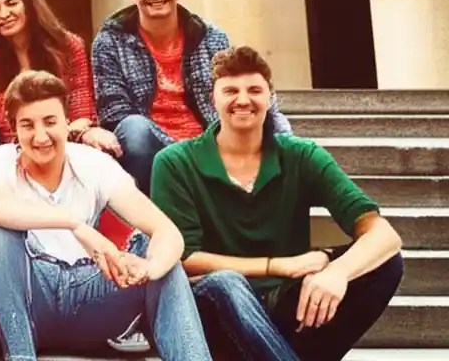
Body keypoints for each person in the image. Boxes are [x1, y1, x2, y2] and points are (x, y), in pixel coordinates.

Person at [152, 46, 403, 361]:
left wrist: (337, 272)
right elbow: (184, 257)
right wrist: (277, 265)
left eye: (254, 90)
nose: (243, 99)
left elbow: (385, 236)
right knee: (226, 284)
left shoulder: (301, 155)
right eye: (230, 90)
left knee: (386, 264)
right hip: (213, 315)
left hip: (287, 305)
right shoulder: (175, 162)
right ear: (212, 98)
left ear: (270, 98)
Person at [0, 70, 212, 361]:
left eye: (50, 122)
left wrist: (150, 269)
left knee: (156, 251)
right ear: (14, 129)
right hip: (24, 297)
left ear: (67, 122)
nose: (41, 136)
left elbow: (167, 231)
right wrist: (74, 224)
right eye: (27, 125)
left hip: (86, 293)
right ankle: (21, 357)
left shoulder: (93, 163)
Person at [91, 0, 291, 192]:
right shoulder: (111, 40)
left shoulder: (211, 38)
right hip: (150, 150)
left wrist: (285, 137)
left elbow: (242, 84)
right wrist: (181, 155)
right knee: (134, 129)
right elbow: (114, 113)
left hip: (210, 143)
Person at [0, 0, 117, 155]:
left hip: (67, 141)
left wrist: (66, 134)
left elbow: (82, 110)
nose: (3, 14)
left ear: (29, 4)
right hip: (11, 150)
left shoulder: (67, 45)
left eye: (11, 3)